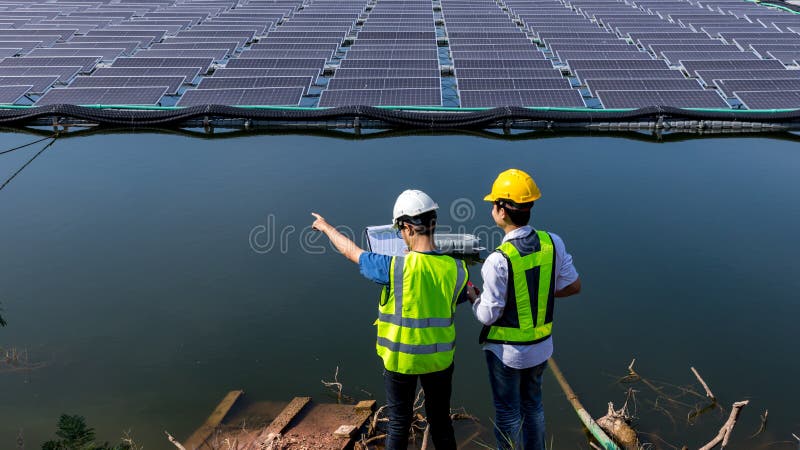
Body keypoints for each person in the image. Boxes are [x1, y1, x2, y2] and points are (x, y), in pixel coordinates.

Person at [311, 189, 469, 450]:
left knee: (399, 423)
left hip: (399, 359)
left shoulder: (393, 267)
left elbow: (352, 252)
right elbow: (462, 294)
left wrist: (326, 227)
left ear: (407, 227)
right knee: (441, 422)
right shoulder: (456, 269)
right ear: (433, 224)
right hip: (439, 361)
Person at [466, 169, 581, 450]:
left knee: (508, 413)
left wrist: (473, 298)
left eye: (494, 203)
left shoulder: (498, 260)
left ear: (502, 211)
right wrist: (535, 292)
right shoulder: (553, 242)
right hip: (542, 348)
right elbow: (573, 286)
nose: (492, 208)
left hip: (506, 354)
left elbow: (488, 315)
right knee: (534, 407)